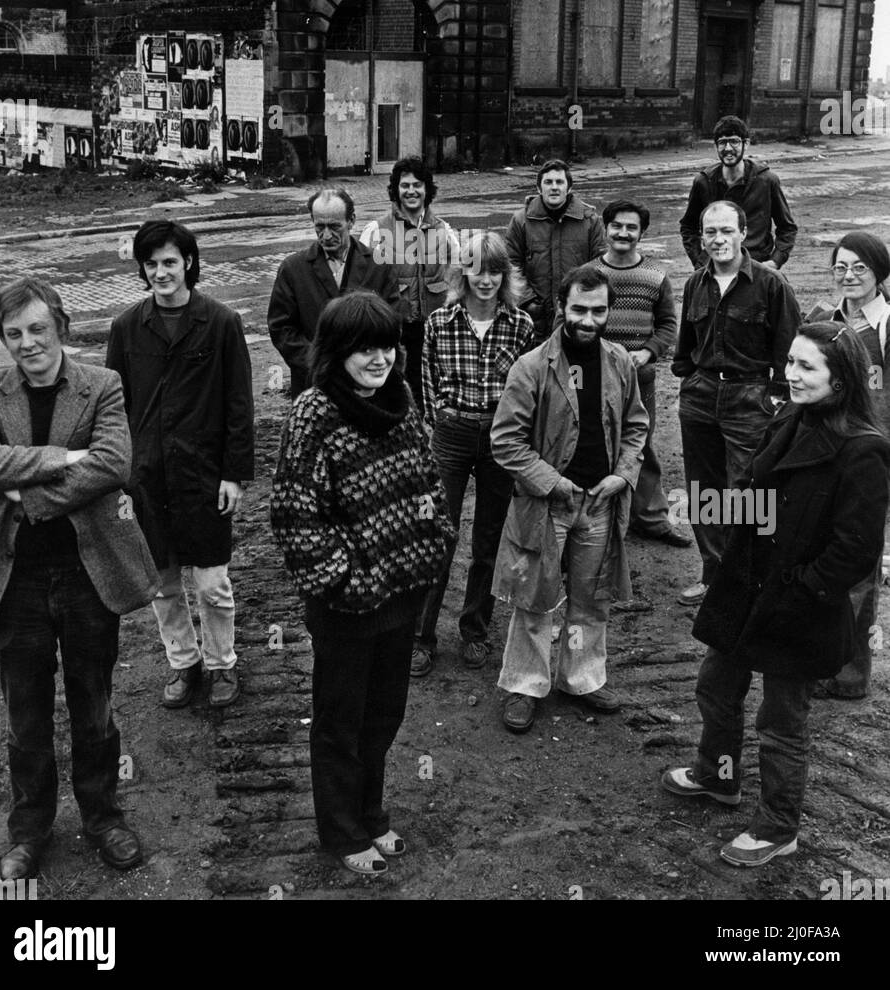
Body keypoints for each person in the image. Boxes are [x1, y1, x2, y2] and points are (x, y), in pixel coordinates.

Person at [662, 323, 890, 867]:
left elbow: (855, 552)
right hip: (745, 589)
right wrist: (719, 526)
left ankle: (777, 826)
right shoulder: (788, 417)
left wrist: (802, 589)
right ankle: (717, 778)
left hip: (798, 608)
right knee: (716, 686)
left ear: (842, 380)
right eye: (789, 362)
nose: (790, 374)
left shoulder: (865, 450)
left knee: (781, 722)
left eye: (807, 367)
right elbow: (758, 496)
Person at [0, 277, 160, 879]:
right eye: (14, 333)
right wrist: (62, 458)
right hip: (14, 575)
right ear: (2, 339)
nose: (28, 343)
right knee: (24, 711)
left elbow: (112, 463)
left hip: (87, 570)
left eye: (38, 329)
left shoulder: (102, 385)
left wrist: (26, 490)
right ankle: (29, 831)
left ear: (62, 326)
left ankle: (103, 817)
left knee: (92, 701)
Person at [269, 292, 456, 877]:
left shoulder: (402, 402)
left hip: (401, 594)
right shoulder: (314, 415)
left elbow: (429, 484)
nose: (379, 359)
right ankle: (341, 829)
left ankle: (371, 812)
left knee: (385, 713)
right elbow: (295, 516)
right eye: (363, 349)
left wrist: (435, 539)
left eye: (387, 346)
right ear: (337, 352)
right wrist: (343, 582)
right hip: (346, 606)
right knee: (339, 722)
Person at [490, 264, 649, 733]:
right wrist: (553, 482)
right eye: (579, 308)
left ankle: (581, 679)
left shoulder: (619, 360)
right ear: (562, 307)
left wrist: (623, 476)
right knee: (535, 597)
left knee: (591, 596)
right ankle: (524, 684)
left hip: (600, 503)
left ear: (608, 312)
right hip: (547, 504)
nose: (588, 319)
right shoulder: (533, 365)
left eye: (598, 310)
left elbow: (637, 426)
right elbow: (505, 441)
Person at [106, 220, 254, 711]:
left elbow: (238, 405)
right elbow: (113, 406)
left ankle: (222, 664)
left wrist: (233, 473)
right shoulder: (127, 328)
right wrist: (121, 476)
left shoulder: (222, 322)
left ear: (189, 262)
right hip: (147, 477)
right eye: (151, 264)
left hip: (204, 477)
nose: (161, 272)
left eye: (170, 261)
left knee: (212, 585)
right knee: (163, 585)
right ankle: (184, 664)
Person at [412, 232, 535, 677]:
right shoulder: (439, 322)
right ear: (462, 273)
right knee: (438, 537)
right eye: (476, 270)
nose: (485, 280)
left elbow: (527, 391)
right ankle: (421, 637)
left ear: (505, 276)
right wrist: (438, 420)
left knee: (488, 540)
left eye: (494, 270)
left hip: (500, 441)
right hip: (452, 433)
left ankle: (475, 629)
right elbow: (425, 378)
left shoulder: (520, 325)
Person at [673, 200, 801, 606]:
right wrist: (691, 379)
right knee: (704, 491)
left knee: (746, 493)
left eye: (726, 230)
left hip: (750, 397)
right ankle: (714, 577)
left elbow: (789, 347)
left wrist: (777, 396)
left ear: (744, 233)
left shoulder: (769, 283)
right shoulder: (696, 283)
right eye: (710, 232)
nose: (718, 239)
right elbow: (684, 348)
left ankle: (743, 583)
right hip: (700, 397)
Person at [805, 231, 890, 699]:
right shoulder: (823, 317)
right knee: (823, 556)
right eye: (841, 266)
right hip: (825, 452)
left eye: (860, 267)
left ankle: (851, 674)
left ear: (879, 272)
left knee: (860, 565)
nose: (849, 276)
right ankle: (823, 659)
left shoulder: (888, 324)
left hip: (872, 458)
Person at [590, 198, 688, 547]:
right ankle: (597, 521)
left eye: (632, 227)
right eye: (617, 226)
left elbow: (667, 326)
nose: (623, 233)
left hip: (639, 380)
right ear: (606, 228)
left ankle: (650, 519)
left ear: (642, 233)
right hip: (595, 379)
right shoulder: (590, 275)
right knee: (595, 447)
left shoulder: (656, 276)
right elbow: (571, 322)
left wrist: (648, 352)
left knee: (640, 447)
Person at [267, 185, 400, 399]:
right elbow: (281, 328)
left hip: (369, 389)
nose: (326, 235)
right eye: (319, 226)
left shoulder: (379, 264)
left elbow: (394, 323)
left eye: (334, 226)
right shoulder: (293, 269)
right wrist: (320, 362)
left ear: (352, 221)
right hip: (314, 387)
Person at [358, 156, 459, 414]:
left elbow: (458, 279)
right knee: (393, 394)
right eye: (405, 185)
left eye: (417, 185)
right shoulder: (376, 231)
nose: (411, 191)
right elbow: (361, 286)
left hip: (432, 332)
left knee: (430, 393)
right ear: (396, 189)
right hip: (394, 332)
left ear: (427, 189)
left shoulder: (444, 231)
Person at [505, 159, 606, 340]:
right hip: (535, 318)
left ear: (569, 188)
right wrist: (527, 300)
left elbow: (599, 264)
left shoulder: (590, 220)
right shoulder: (521, 220)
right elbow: (511, 264)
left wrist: (582, 296)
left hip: (576, 312)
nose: (554, 187)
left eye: (559, 182)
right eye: (548, 182)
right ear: (538, 188)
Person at [679, 116, 797, 271]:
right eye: (722, 143)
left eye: (734, 141)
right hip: (716, 267)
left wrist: (775, 261)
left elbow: (787, 228)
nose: (728, 148)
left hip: (755, 266)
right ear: (716, 146)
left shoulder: (766, 181)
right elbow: (688, 226)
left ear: (746, 144)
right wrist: (700, 261)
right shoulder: (704, 182)